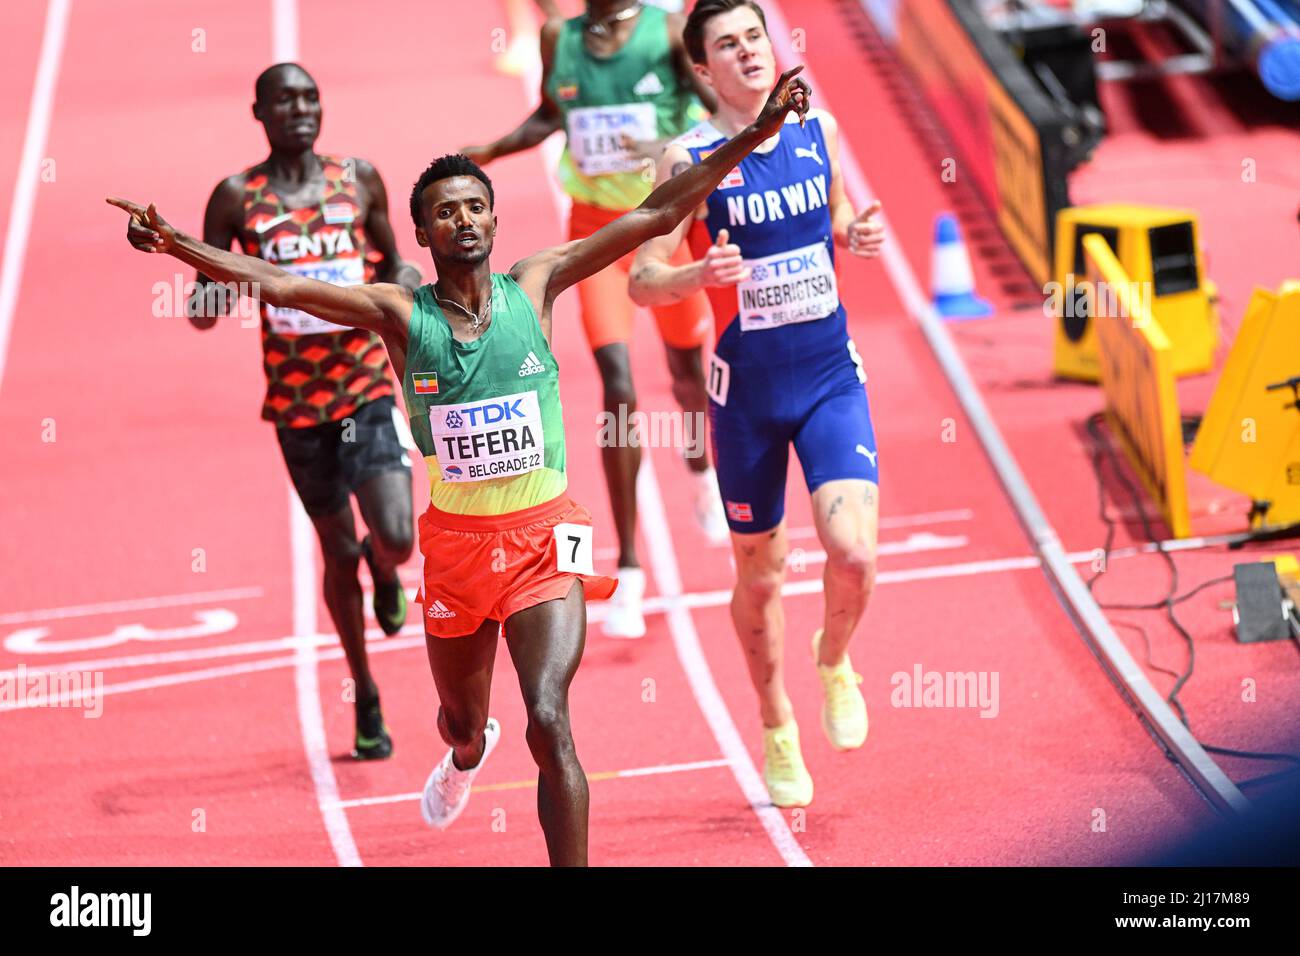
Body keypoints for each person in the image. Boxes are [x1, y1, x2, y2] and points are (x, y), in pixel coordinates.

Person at [109, 66, 812, 865]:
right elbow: (278, 279)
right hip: (457, 551)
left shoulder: (537, 282)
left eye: (475, 206)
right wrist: (176, 245)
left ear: (493, 218)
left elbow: (656, 208)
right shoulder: (396, 314)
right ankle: (467, 756)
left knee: (548, 715)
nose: (464, 220)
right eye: (445, 212)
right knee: (463, 721)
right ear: (423, 236)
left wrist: (755, 133)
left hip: (549, 536)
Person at [630, 0, 886, 808]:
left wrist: (853, 234)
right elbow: (641, 277)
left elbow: (837, 210)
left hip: (828, 378)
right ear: (702, 69)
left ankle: (833, 658)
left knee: (852, 554)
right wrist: (694, 279)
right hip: (746, 399)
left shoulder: (820, 128)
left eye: (755, 36)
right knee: (763, 573)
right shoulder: (691, 157)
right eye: (728, 46)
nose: (749, 53)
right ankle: (776, 723)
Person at [464, 0, 728, 639]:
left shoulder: (666, 33)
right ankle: (630, 567)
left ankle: (700, 470)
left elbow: (719, 115)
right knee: (618, 387)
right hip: (594, 238)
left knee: (688, 377)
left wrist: (668, 146)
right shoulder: (561, 37)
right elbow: (553, 117)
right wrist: (491, 151)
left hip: (667, 231)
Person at [185, 63, 421, 759]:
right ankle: (366, 693)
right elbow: (205, 304)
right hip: (296, 405)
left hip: (367, 386)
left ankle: (387, 572)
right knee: (334, 552)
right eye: (284, 100)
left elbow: (396, 264)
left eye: (310, 97)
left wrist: (406, 286)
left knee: (398, 536)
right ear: (257, 112)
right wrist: (203, 289)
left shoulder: (360, 180)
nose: (300, 109)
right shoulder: (236, 198)